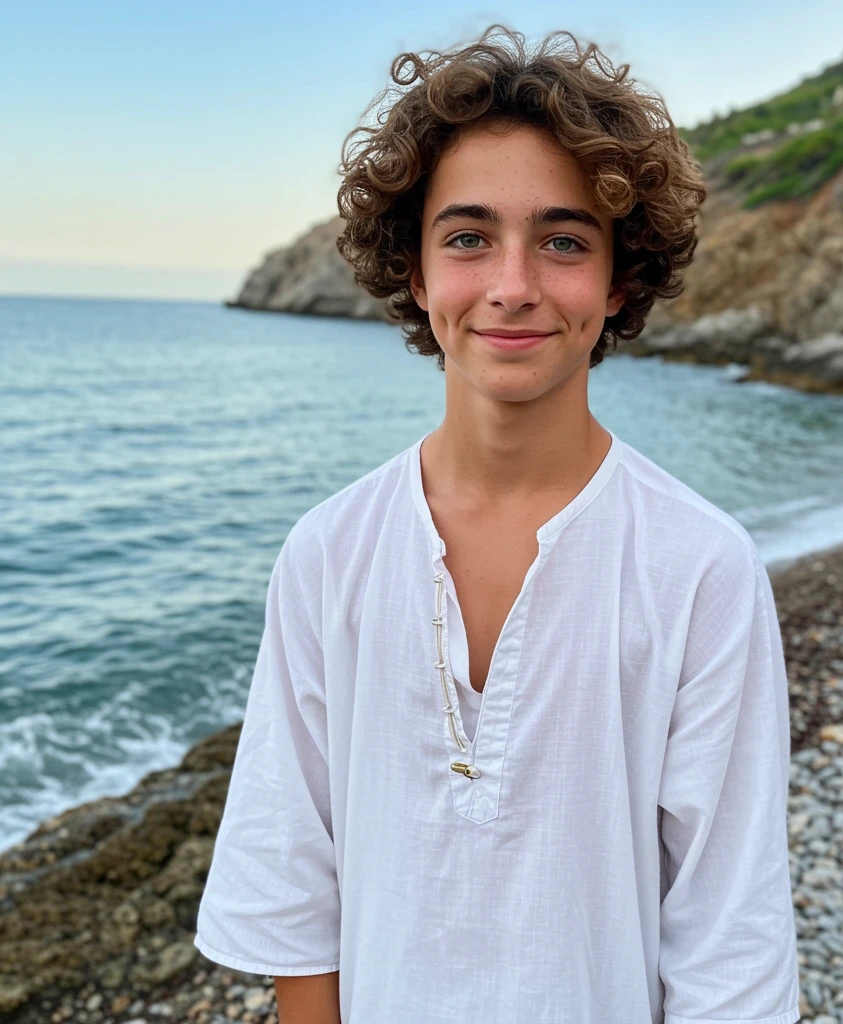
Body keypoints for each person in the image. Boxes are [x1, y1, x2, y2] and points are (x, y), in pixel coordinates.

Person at [194, 24, 801, 1024]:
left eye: (563, 240)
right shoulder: (327, 555)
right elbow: (297, 891)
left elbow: (728, 929)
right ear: (417, 271)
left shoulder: (701, 570)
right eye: (468, 236)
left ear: (615, 282)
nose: (512, 285)